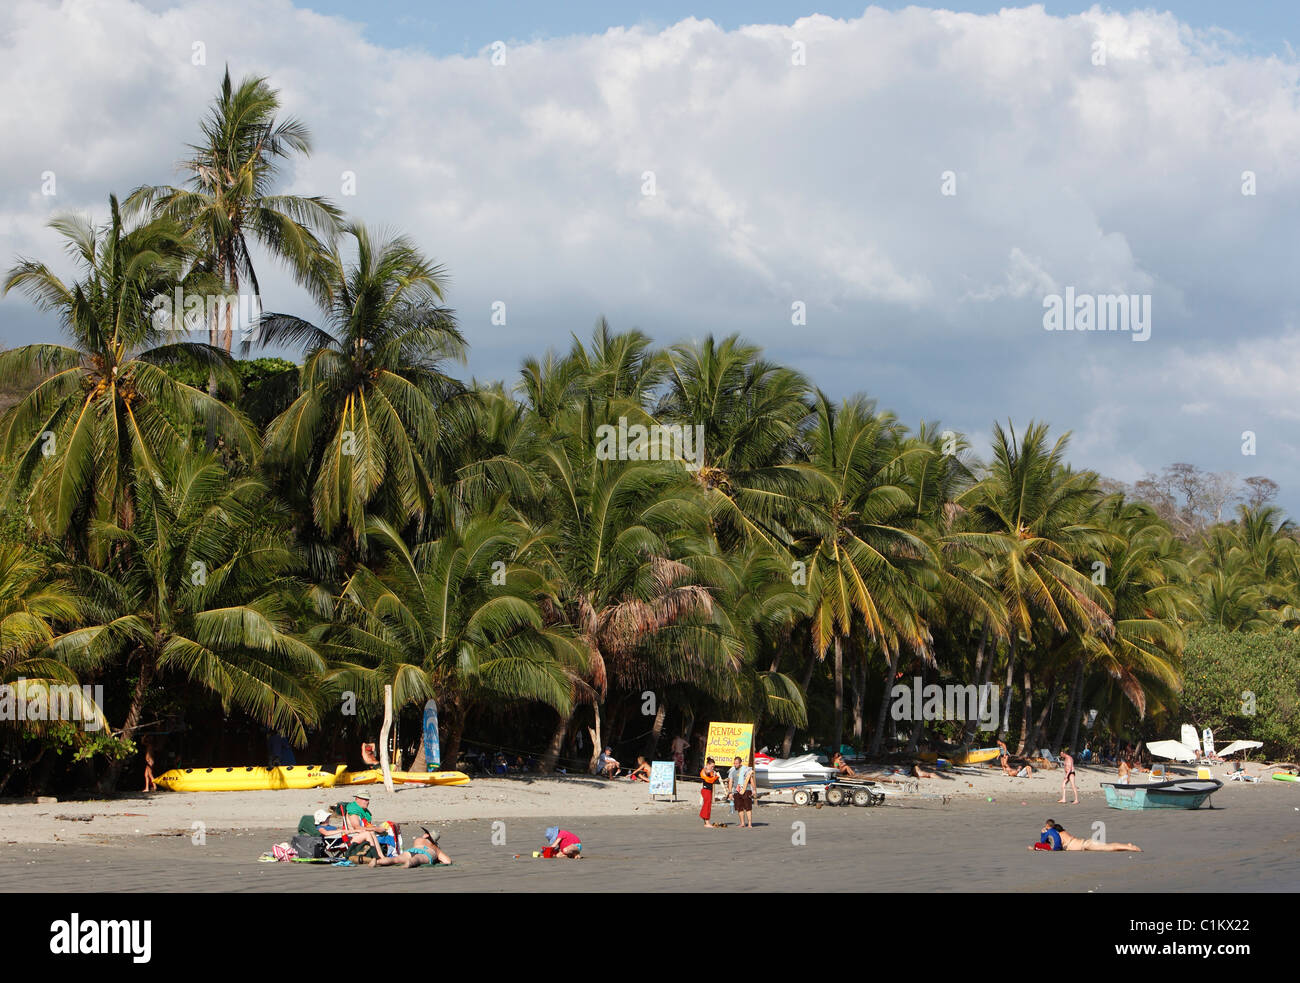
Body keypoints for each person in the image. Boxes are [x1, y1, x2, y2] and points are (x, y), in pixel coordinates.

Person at [1030, 820, 1141, 852]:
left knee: (1108, 847)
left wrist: (1044, 833)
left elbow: (1050, 844)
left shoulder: (1058, 835)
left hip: (1086, 845)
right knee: (1108, 846)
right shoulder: (1064, 833)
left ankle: (1129, 847)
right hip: (1086, 842)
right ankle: (1127, 846)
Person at [377, 826, 452, 867]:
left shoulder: (419, 840)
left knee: (395, 859)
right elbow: (447, 861)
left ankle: (378, 861)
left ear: (427, 835)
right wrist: (438, 856)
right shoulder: (434, 847)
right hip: (426, 852)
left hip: (412, 850)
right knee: (418, 859)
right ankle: (410, 862)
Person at [343, 791, 384, 860]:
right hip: (352, 838)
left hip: (360, 835)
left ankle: (390, 854)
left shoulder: (363, 811)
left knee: (389, 829)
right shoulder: (353, 811)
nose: (367, 802)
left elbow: (367, 826)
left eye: (368, 800)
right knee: (370, 832)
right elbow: (357, 827)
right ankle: (379, 856)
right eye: (365, 800)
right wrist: (375, 829)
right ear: (357, 799)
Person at [727, 756, 755, 829]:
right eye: (734, 763)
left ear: (740, 763)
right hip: (737, 791)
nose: (735, 764)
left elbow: (751, 780)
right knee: (739, 808)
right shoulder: (732, 770)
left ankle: (749, 823)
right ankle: (742, 823)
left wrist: (754, 790)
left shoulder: (745, 769)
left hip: (746, 790)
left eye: (736, 763)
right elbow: (730, 782)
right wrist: (730, 792)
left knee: (748, 807)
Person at [699, 758, 723, 827]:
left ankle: (705, 820)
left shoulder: (710, 771)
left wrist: (714, 775)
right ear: (708, 764)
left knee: (707, 805)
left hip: (709, 790)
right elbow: (709, 780)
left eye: (713, 766)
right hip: (706, 790)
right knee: (707, 805)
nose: (712, 768)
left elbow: (711, 776)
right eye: (712, 766)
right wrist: (715, 777)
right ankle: (707, 822)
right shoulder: (705, 770)